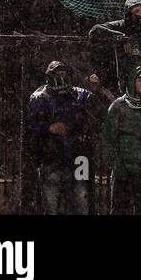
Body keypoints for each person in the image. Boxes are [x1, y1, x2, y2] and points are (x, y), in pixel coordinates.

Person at [27, 61, 96, 214]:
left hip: (78, 157)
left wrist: (96, 87)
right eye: (58, 74)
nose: (62, 77)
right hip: (51, 157)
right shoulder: (39, 97)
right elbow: (31, 127)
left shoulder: (80, 94)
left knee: (81, 202)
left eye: (64, 73)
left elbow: (98, 112)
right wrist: (48, 128)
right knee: (51, 204)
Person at [102, 65, 141, 214]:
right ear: (133, 82)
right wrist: (117, 165)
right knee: (120, 209)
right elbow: (108, 139)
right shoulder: (118, 106)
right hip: (123, 172)